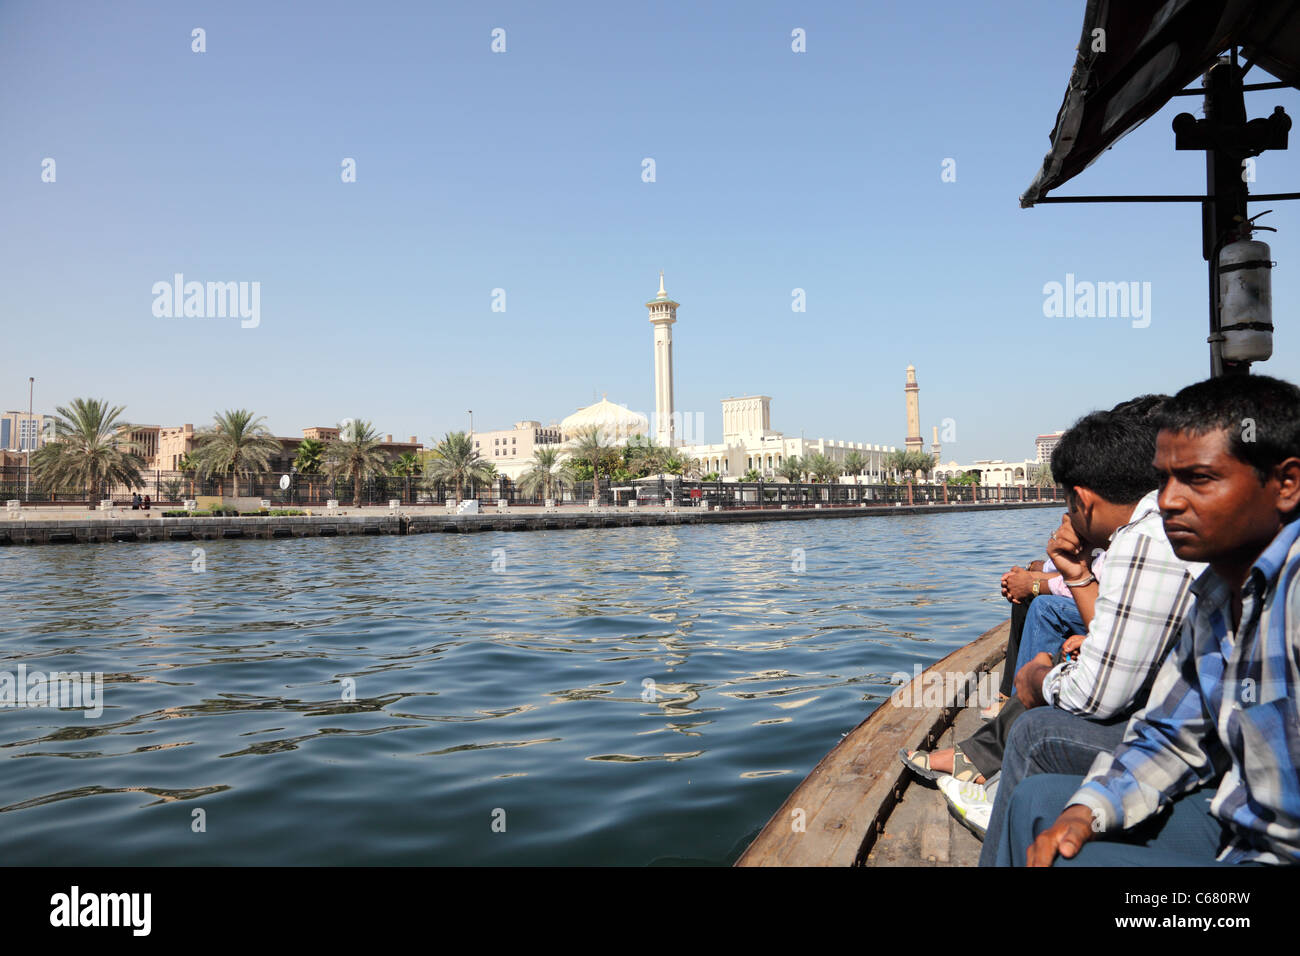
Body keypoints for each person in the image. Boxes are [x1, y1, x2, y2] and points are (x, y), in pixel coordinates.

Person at [1006, 374, 1300, 866]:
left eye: (1199, 479)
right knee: (1039, 809)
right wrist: (1090, 810)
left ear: (1286, 485)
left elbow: (1097, 697)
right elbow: (1171, 734)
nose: (1168, 501)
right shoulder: (1216, 593)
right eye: (1164, 479)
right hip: (1238, 822)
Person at [899, 408, 1203, 838]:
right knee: (1056, 652)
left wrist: (1039, 679)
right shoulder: (1154, 532)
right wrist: (1075, 577)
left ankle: (1003, 814)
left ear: (1082, 500)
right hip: (1184, 724)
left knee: (1036, 721)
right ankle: (989, 766)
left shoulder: (1141, 542)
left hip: (1187, 745)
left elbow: (1097, 697)